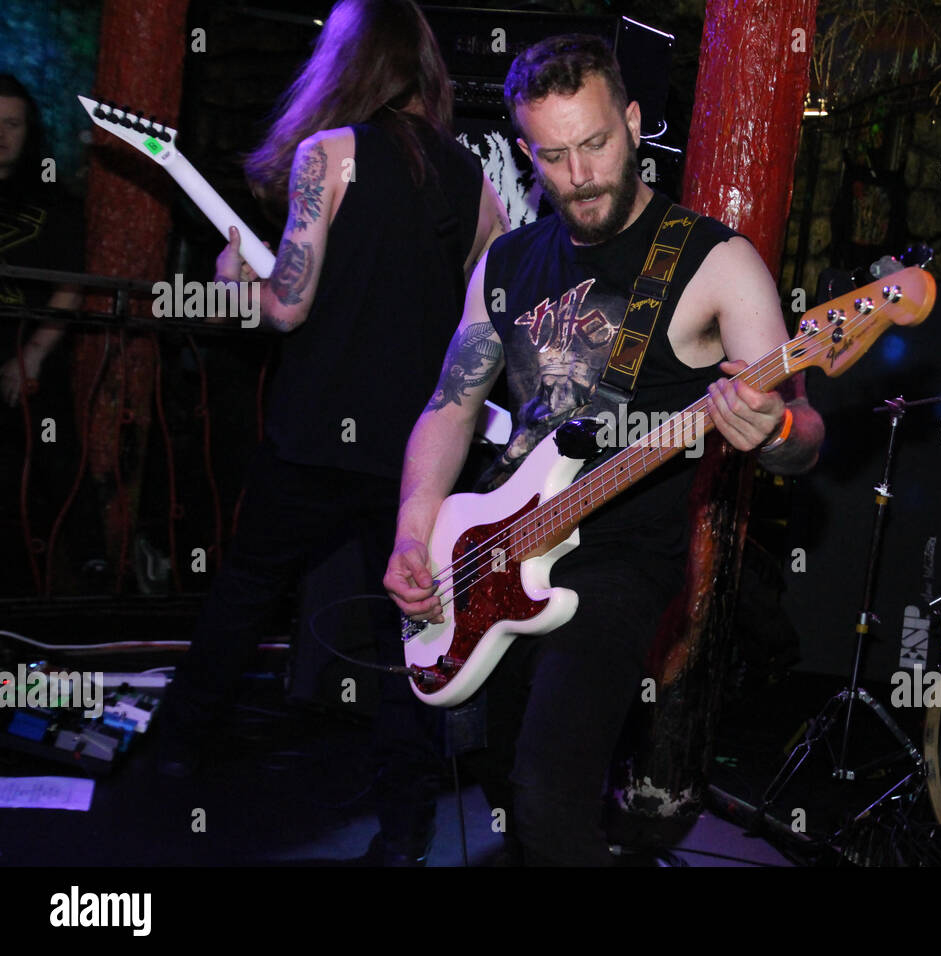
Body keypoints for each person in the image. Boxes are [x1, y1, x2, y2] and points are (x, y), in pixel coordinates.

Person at [384, 34, 825, 866]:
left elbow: (803, 432)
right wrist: (414, 529)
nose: (581, 174)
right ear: (526, 154)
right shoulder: (506, 262)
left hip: (621, 561)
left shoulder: (716, 263)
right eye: (554, 156)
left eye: (596, 143)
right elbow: (448, 406)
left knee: (549, 801)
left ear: (632, 122)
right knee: (497, 775)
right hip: (498, 543)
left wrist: (772, 430)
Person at [155, 0, 509, 869]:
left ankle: (172, 761)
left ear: (345, 64)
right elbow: (491, 306)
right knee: (409, 635)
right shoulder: (471, 177)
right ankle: (405, 832)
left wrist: (233, 281)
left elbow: (287, 307)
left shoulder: (330, 153)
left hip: (315, 435)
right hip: (417, 452)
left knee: (247, 591)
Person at [0, 74, 87, 593]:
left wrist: (32, 355)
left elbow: (70, 288)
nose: (1, 135)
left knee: (33, 481)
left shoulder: (55, 202)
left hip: (28, 367)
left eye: (12, 124)